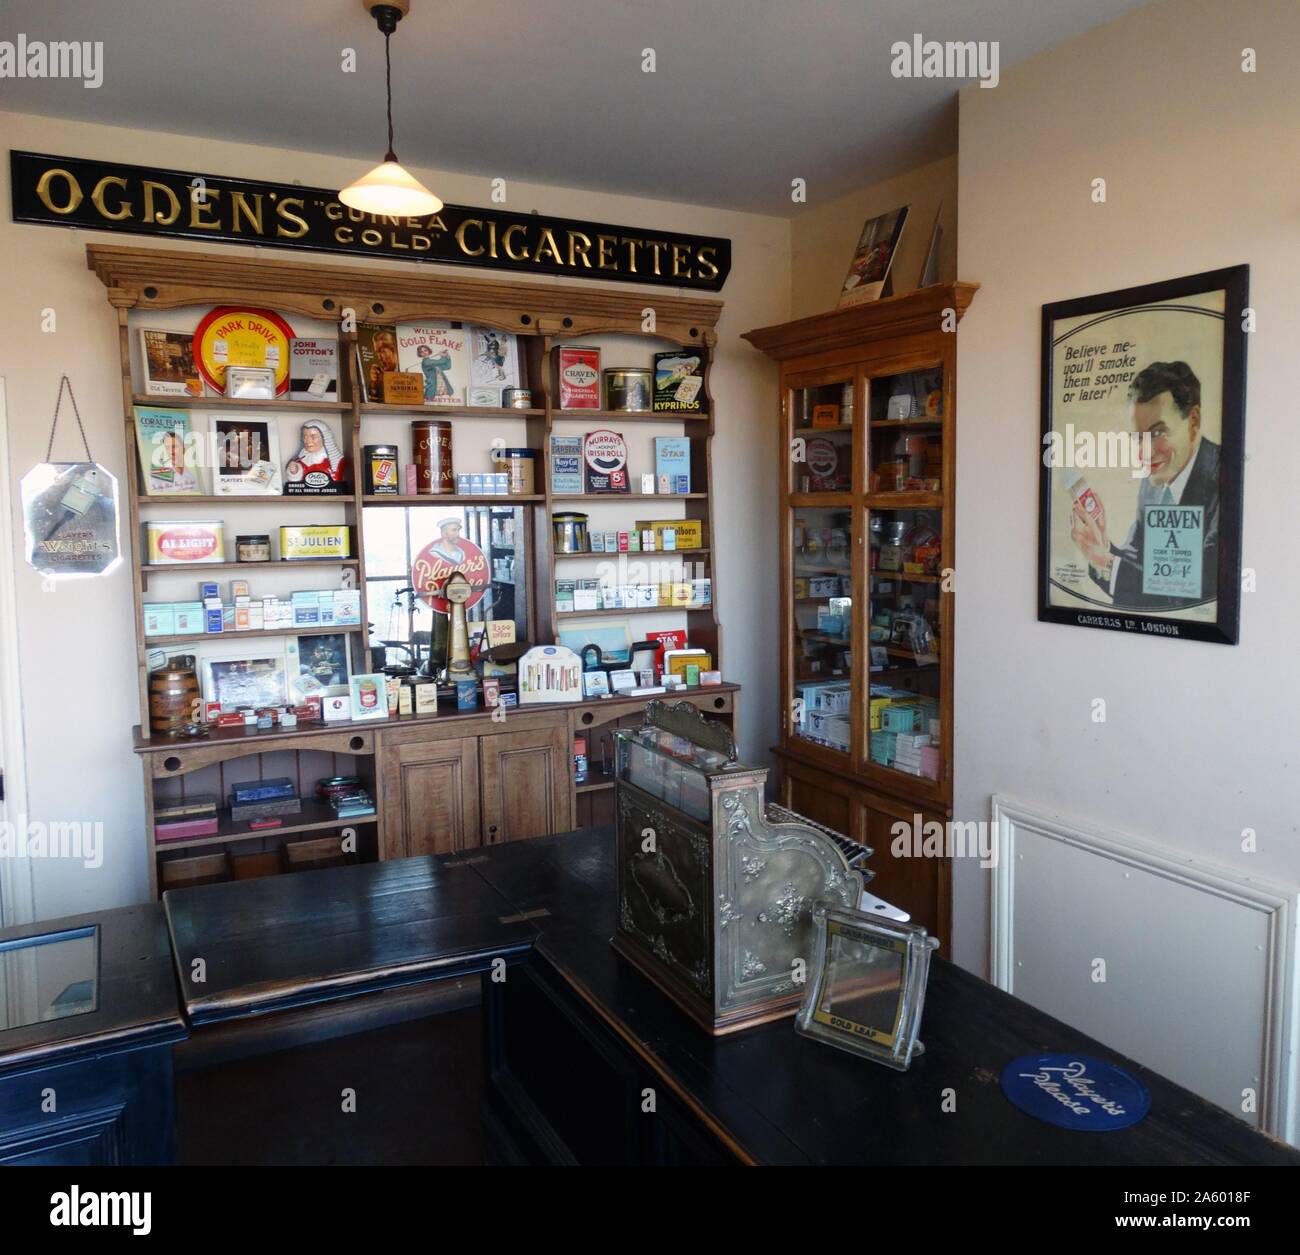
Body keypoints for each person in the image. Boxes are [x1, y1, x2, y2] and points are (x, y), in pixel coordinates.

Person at [1071, 360, 1220, 608]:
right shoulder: (1152, 482)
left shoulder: (1226, 478)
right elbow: (1138, 562)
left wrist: (1104, 561)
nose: (1144, 454)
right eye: (1137, 438)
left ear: (1193, 421)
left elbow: (1190, 594)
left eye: (1158, 433)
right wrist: (1101, 544)